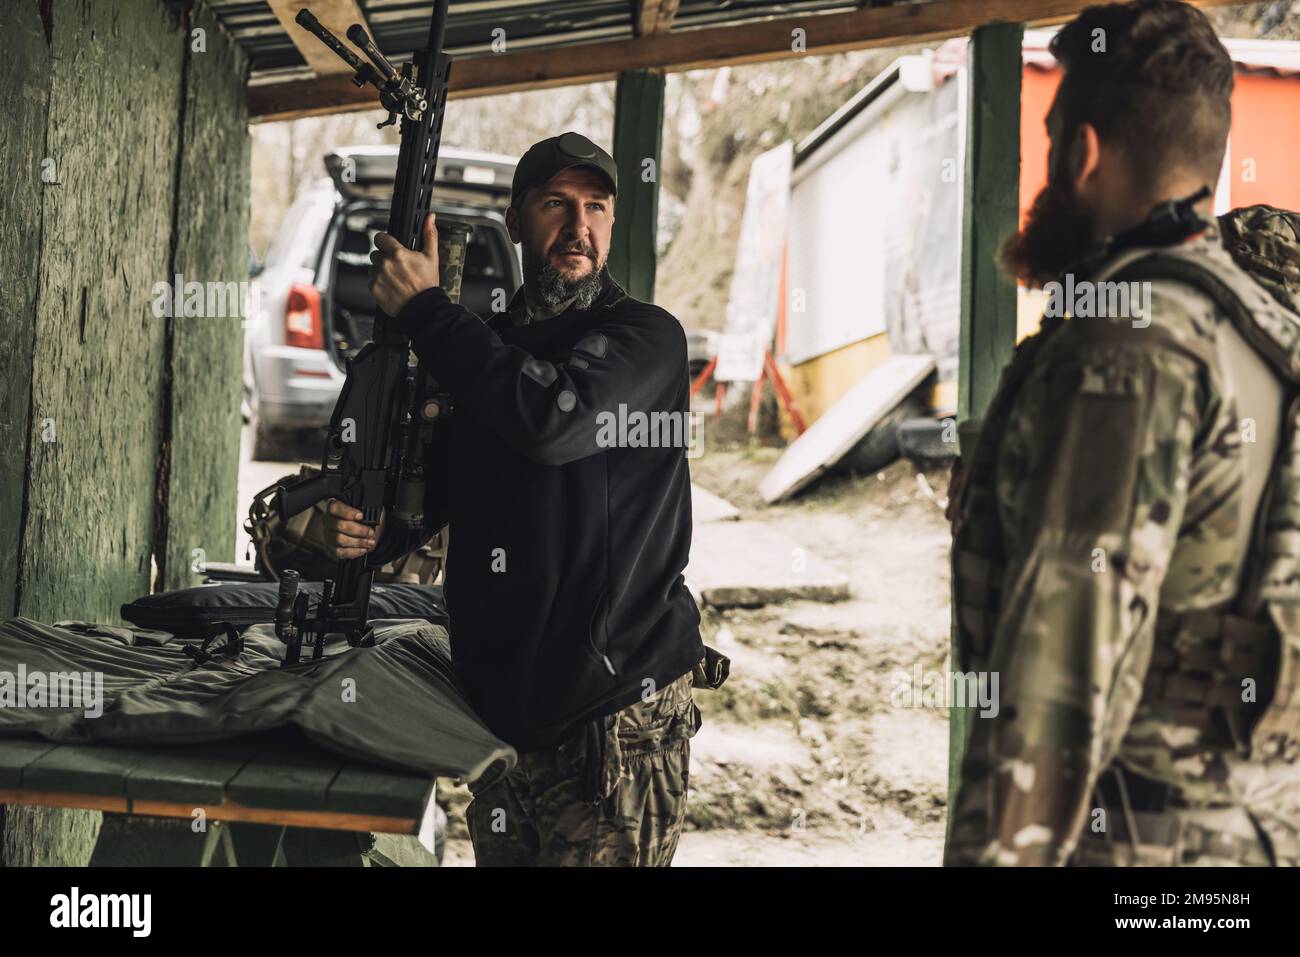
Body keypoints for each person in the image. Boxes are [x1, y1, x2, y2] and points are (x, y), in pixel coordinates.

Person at [946, 0, 1300, 866]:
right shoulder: (1266, 329)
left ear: (1083, 150)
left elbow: (1058, 676)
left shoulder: (1124, 348)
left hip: (1141, 844)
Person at [332, 132, 708, 866]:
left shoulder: (643, 340)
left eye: (596, 207)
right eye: (555, 204)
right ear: (516, 221)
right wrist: (370, 532)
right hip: (504, 727)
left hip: (612, 720)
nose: (579, 226)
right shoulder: (488, 352)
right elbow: (439, 503)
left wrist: (428, 311)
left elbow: (557, 420)